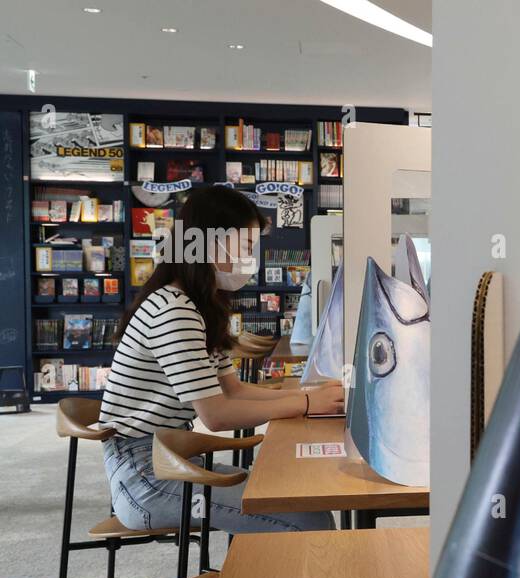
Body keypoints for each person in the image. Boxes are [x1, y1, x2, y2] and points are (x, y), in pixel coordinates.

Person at [98, 185, 343, 533]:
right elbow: (216, 415)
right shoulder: (174, 310)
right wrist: (304, 402)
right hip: (146, 480)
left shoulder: (194, 305)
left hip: (168, 461)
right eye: (246, 246)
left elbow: (234, 390)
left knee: (296, 495)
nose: (251, 259)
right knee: (304, 517)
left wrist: (306, 398)